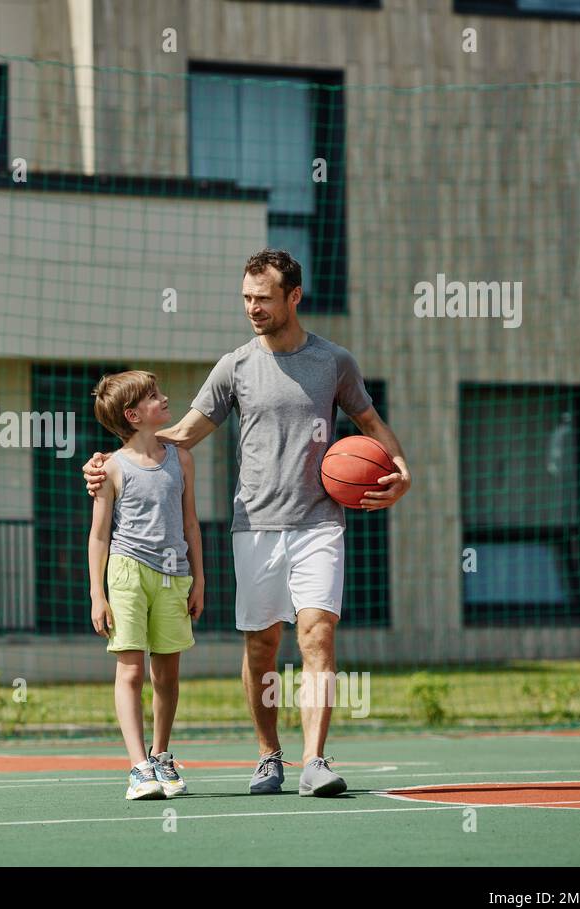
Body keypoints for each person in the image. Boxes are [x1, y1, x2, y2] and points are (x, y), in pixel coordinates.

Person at [83, 249, 412, 797]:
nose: (253, 307)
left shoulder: (335, 362)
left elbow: (370, 422)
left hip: (319, 523)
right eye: (246, 298)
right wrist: (111, 457)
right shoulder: (234, 365)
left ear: (294, 298)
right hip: (255, 523)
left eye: (263, 298)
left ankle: (315, 761)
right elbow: (182, 432)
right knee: (262, 646)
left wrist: (400, 471)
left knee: (317, 635)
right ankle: (268, 755)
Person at [88, 370, 204, 800]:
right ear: (134, 415)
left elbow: (191, 523)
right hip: (127, 573)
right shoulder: (112, 468)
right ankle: (138, 767)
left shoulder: (182, 458)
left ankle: (161, 755)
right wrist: (98, 594)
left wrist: (199, 581)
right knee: (131, 670)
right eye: (156, 396)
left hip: (175, 576)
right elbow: (99, 535)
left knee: (167, 674)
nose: (165, 398)